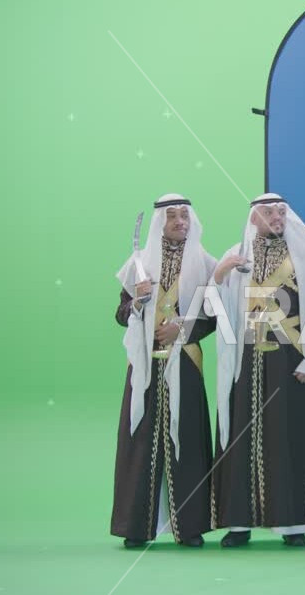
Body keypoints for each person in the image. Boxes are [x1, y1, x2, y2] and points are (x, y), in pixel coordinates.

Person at [208, 193, 305, 548]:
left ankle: (294, 523)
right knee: (241, 439)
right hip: (245, 362)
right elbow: (213, 310)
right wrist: (219, 275)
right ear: (253, 219)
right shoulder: (235, 255)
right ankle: (238, 523)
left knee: (290, 436)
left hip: (291, 362)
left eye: (281, 212)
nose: (276, 217)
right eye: (268, 212)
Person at [112, 194, 217, 548]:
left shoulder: (205, 263)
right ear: (161, 222)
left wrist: (181, 329)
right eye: (172, 217)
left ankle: (188, 527)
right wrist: (137, 300)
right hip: (145, 364)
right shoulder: (138, 265)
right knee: (140, 441)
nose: (180, 223)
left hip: (185, 362)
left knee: (186, 440)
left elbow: (215, 320)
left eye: (185, 216)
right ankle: (136, 527)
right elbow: (120, 314)